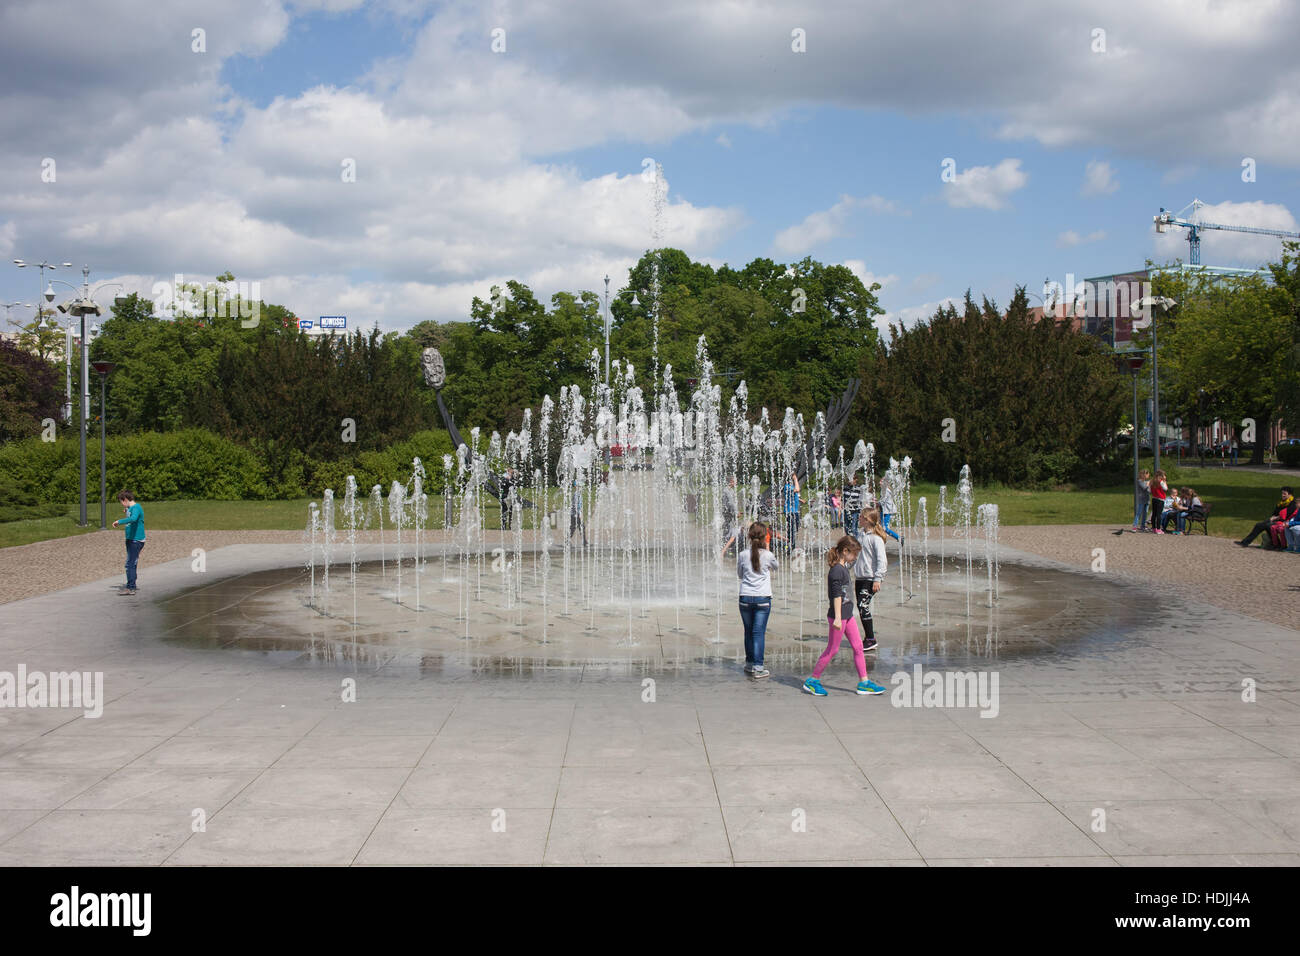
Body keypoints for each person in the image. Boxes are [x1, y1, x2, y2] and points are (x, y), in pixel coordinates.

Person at [803, 536, 886, 698]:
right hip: (839, 617)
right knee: (832, 650)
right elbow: (836, 596)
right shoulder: (836, 571)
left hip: (847, 616)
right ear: (845, 552)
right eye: (854, 554)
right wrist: (838, 618)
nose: (855, 558)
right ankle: (812, 680)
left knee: (857, 648)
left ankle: (864, 682)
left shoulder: (843, 568)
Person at [737, 522, 778, 680]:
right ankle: (759, 667)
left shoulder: (742, 554)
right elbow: (777, 567)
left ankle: (749, 663)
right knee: (758, 633)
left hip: (745, 598)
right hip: (762, 598)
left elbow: (740, 575)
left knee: (748, 631)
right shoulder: (768, 555)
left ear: (749, 536)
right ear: (764, 536)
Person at [852, 507, 888, 653]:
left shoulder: (876, 539)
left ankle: (871, 639)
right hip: (859, 578)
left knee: (863, 605)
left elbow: (882, 561)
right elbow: (855, 556)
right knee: (861, 608)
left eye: (860, 517)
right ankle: (868, 638)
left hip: (870, 578)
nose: (858, 519)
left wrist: (878, 579)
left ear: (867, 520)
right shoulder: (860, 536)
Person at [110, 489, 146, 595]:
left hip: (136, 539)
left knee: (130, 564)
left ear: (125, 499)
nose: (122, 505)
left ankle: (130, 587)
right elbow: (131, 514)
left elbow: (134, 518)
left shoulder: (137, 508)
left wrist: (119, 521)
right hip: (131, 539)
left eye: (121, 502)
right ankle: (132, 584)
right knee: (132, 563)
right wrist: (127, 510)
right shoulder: (131, 508)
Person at [878, 473, 902, 544]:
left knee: (884, 528)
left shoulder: (886, 490)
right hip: (884, 511)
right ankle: (882, 540)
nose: (880, 482)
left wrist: (878, 503)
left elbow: (884, 500)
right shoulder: (884, 490)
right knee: (881, 527)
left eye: (882, 481)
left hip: (887, 511)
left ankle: (899, 537)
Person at [782, 471, 801, 549]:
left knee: (795, 527)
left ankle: (788, 543)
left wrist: (800, 499)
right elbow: (797, 489)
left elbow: (794, 495)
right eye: (793, 477)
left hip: (794, 511)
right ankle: (790, 546)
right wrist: (796, 479)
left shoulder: (791, 486)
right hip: (789, 511)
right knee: (792, 529)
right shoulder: (787, 486)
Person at [1149, 470, 1169, 534]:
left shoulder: (1152, 481)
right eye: (1163, 475)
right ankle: (1158, 529)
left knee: (1154, 514)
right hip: (1160, 499)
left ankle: (1154, 528)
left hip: (1154, 498)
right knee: (1159, 514)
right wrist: (1165, 481)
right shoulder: (1161, 482)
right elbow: (1165, 489)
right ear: (1161, 476)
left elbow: (1149, 490)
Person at [1132, 468, 1151, 532]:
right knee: (1139, 513)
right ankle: (1135, 526)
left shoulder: (1146, 482)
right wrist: (1148, 484)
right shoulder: (1139, 481)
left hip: (1147, 499)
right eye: (1147, 474)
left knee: (1145, 513)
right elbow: (1145, 488)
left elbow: (1149, 490)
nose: (1148, 475)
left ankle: (1143, 526)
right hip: (1142, 500)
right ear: (1144, 474)